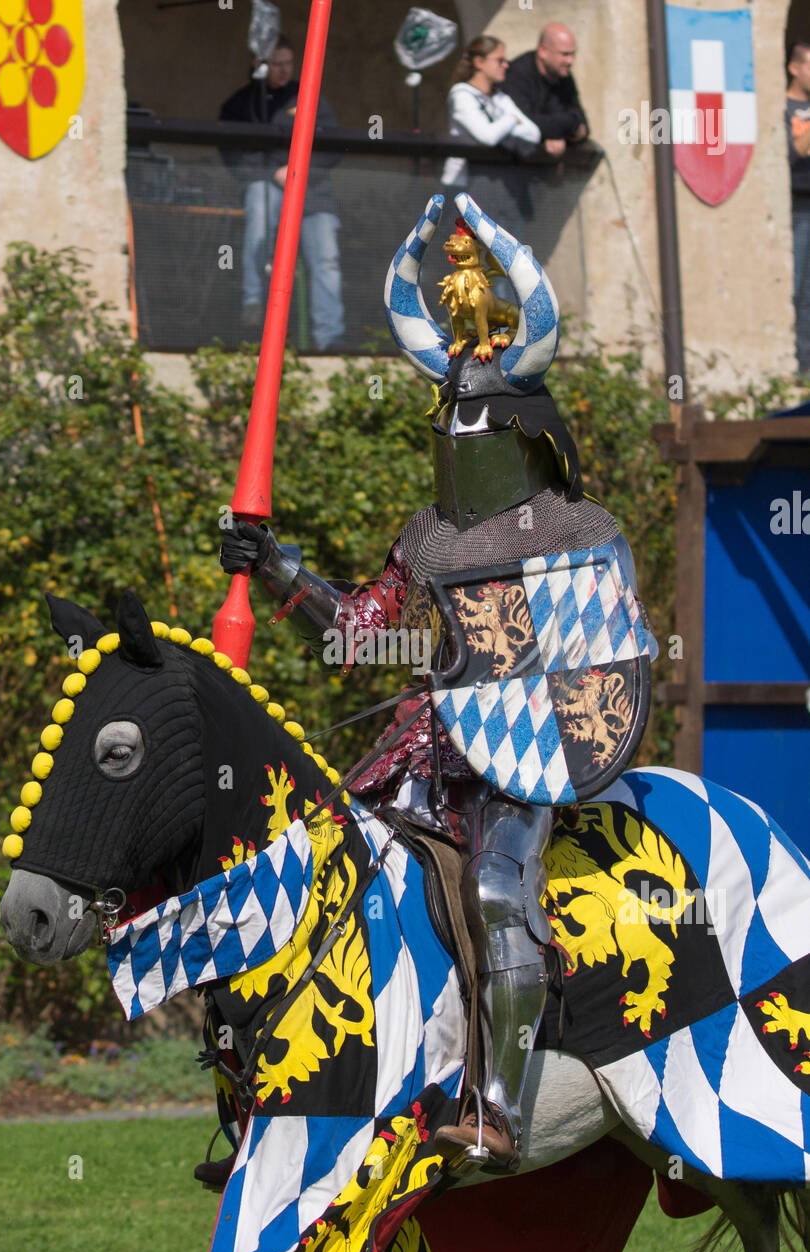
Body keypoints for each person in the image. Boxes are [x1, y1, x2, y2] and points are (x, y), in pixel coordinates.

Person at [218, 195, 656, 1172]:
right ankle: (286, 1094)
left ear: (515, 427)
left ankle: (496, 1106)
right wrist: (276, 565)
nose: (452, 433)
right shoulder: (429, 534)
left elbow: (594, 679)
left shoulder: (578, 536)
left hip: (515, 766)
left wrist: (486, 236)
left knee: (498, 887)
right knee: (314, 873)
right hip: (421, 745)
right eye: (444, 414)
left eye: (470, 417)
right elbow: (361, 634)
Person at [219, 36, 345, 351]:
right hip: (267, 188)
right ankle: (253, 306)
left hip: (312, 192)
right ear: (258, 63)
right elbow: (233, 156)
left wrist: (300, 171)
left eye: (288, 63)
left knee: (326, 258)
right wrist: (270, 174)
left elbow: (334, 147)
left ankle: (329, 338)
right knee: (259, 215)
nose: (283, 70)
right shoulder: (240, 104)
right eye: (276, 64)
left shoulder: (308, 97)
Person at [442, 34, 541, 189]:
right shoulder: (462, 95)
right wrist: (512, 119)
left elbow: (533, 133)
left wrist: (504, 125)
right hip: (461, 185)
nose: (506, 65)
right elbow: (488, 136)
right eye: (499, 60)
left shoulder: (500, 98)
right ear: (479, 62)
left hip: (491, 185)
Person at [503, 22, 588, 159]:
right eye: (565, 54)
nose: (570, 61)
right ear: (543, 51)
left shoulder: (564, 76)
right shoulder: (518, 74)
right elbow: (526, 123)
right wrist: (569, 125)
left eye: (573, 54)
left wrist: (560, 129)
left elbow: (583, 125)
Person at [786, 42, 810, 374]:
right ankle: (795, 364)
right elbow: (793, 155)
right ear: (794, 68)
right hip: (796, 206)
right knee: (795, 288)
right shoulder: (783, 108)